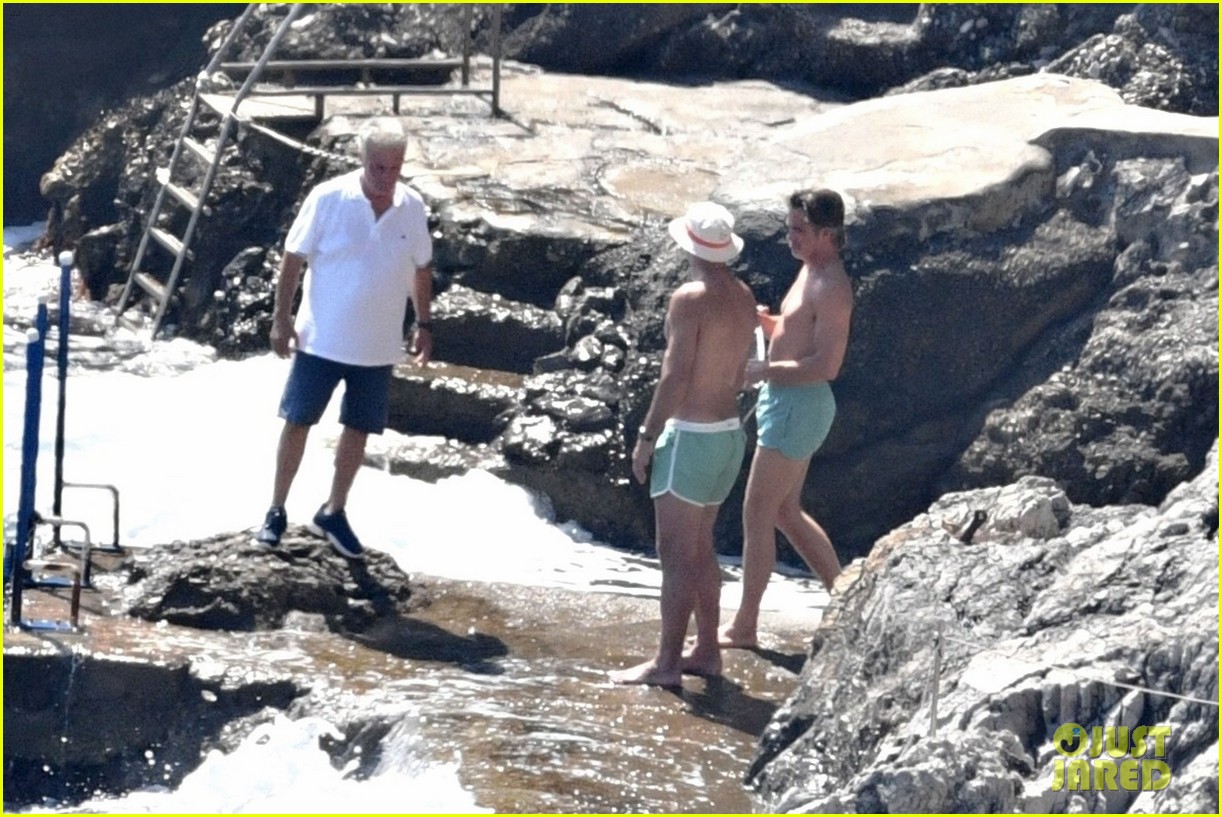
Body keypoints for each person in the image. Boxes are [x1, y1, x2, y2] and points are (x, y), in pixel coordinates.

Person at [253, 117, 434, 559]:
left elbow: (422, 267)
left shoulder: (412, 207)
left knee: (359, 429)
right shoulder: (328, 198)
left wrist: (424, 323)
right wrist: (280, 319)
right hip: (321, 340)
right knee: (298, 421)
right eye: (378, 168)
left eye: (395, 168)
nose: (386, 178)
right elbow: (293, 259)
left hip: (377, 347)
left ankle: (334, 510)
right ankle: (275, 509)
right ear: (362, 160)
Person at [611, 202, 758, 687]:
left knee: (675, 552)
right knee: (700, 547)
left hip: (692, 438)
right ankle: (707, 651)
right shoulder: (742, 296)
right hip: (729, 437)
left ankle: (667, 663)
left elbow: (674, 377)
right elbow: (739, 374)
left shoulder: (689, 299)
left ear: (688, 245)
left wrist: (646, 438)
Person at [719, 189, 853, 649]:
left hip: (800, 404)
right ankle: (846, 598)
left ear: (826, 234)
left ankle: (745, 626)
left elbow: (827, 364)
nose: (789, 236)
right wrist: (765, 323)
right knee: (784, 512)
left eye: (799, 229)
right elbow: (796, 334)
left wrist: (763, 369)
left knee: (757, 512)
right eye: (790, 227)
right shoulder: (810, 269)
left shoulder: (832, 286)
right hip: (788, 402)